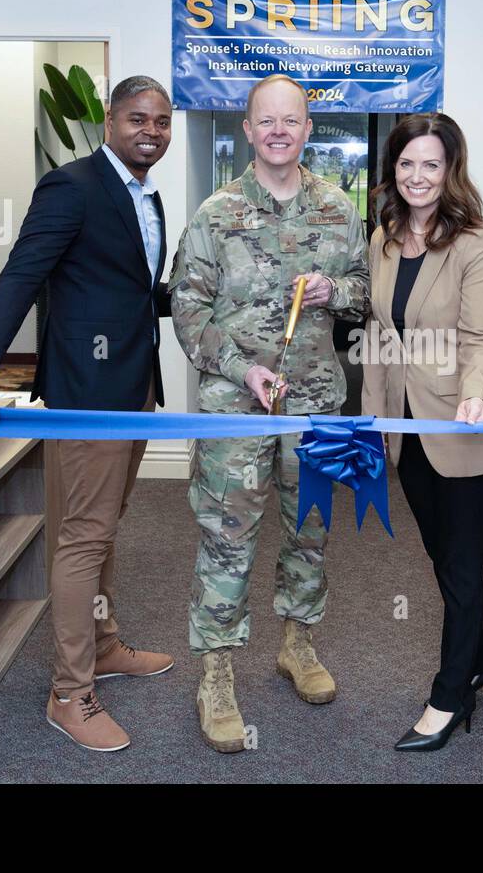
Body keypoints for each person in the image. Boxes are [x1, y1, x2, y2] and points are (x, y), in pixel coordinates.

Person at [0, 75, 177, 752]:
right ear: (109, 119)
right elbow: (22, 275)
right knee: (82, 537)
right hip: (87, 395)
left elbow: (131, 291)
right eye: (138, 117)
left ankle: (103, 648)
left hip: (134, 389)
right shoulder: (72, 186)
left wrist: (204, 294)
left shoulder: (146, 197)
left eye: (162, 122)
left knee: (104, 528)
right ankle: (68, 693)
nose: (151, 131)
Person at [170, 74, 369, 753]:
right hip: (235, 407)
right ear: (248, 131)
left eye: (293, 119)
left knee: (309, 530)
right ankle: (217, 674)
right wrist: (240, 367)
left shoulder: (341, 210)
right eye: (267, 121)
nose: (280, 130)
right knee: (228, 538)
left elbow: (366, 294)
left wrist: (333, 288)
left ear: (308, 129)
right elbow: (187, 309)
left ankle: (297, 645)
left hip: (316, 407)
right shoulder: (216, 213)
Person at [360, 113, 483, 752]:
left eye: (432, 164)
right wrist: (375, 419)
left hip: (470, 430)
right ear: (392, 169)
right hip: (408, 427)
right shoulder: (383, 238)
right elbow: (380, 336)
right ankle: (482, 653)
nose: (418, 177)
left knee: (462, 565)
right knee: (442, 559)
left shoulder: (475, 241)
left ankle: (450, 694)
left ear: (450, 170)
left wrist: (477, 396)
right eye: (407, 164)